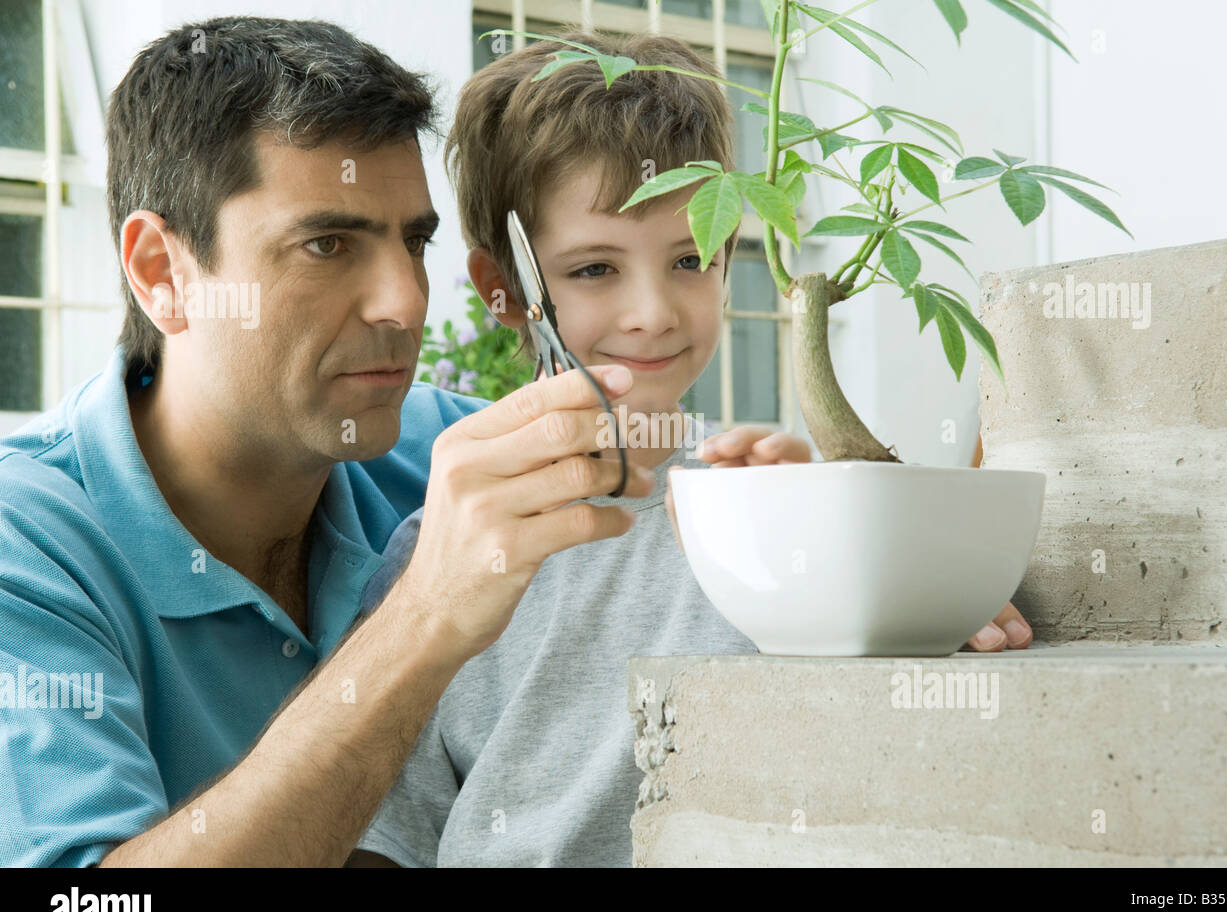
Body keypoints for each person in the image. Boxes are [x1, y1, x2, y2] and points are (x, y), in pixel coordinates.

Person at [0, 16, 788, 868]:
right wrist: (424, 618)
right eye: (326, 243)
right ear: (161, 270)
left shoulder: (475, 459)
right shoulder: (27, 546)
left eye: (412, 241)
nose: (404, 302)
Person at [339, 31, 1034, 868]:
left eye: (689, 259)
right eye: (595, 269)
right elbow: (383, 845)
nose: (654, 312)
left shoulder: (777, 499)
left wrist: (908, 595)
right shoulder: (441, 555)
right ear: (506, 290)